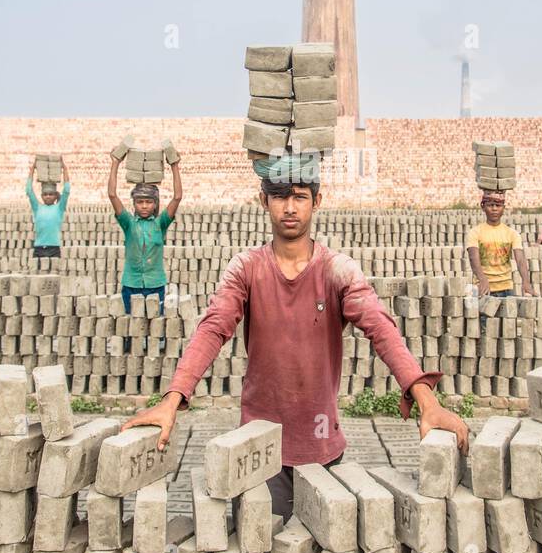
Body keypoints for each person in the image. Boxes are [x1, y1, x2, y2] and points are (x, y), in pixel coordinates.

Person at [121, 159, 469, 519]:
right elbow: (213, 328)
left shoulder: (338, 270)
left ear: (316, 202)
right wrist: (172, 400)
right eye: (279, 197)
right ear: (263, 201)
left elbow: (380, 328)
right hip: (257, 450)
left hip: (321, 445)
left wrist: (426, 400)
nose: (289, 208)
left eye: (300, 197)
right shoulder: (246, 267)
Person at [107, 151, 182, 318]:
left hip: (155, 284)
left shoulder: (160, 224)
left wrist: (175, 166)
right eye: (140, 202)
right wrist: (115, 163)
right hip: (131, 283)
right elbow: (112, 195)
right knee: (131, 330)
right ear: (134, 204)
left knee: (156, 329)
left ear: (155, 204)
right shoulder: (128, 224)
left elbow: (177, 197)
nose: (144, 206)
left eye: (149, 202)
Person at [467, 189, 534, 299]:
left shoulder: (512, 233)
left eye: (498, 205)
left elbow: (520, 259)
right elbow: (473, 259)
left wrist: (526, 282)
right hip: (481, 287)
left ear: (503, 208)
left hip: (506, 288)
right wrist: (482, 279)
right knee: (477, 315)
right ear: (483, 207)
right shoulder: (475, 232)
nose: (494, 209)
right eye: (490, 205)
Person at [25, 158, 70, 270]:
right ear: (42, 196)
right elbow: (29, 191)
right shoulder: (37, 208)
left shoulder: (59, 208)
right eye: (45, 194)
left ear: (55, 196)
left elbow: (67, 190)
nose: (48, 196)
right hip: (38, 249)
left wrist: (64, 169)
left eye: (51, 194)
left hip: (54, 249)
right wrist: (32, 169)